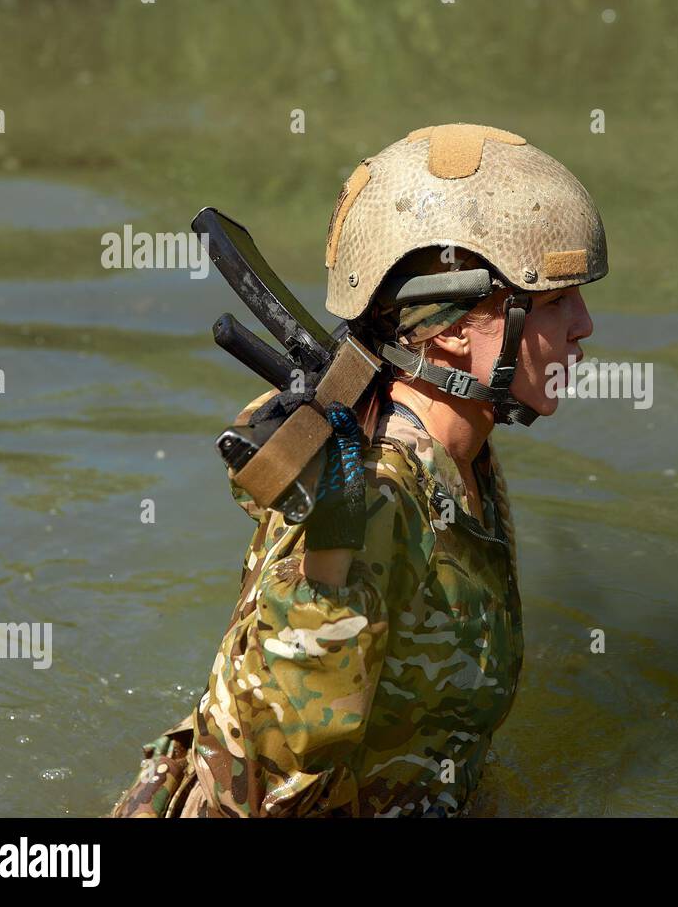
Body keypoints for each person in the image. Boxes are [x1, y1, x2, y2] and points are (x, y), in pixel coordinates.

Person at [109, 123, 606, 817]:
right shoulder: (371, 498)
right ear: (453, 325)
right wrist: (330, 568)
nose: (584, 326)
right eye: (555, 303)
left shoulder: (463, 454)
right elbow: (263, 780)